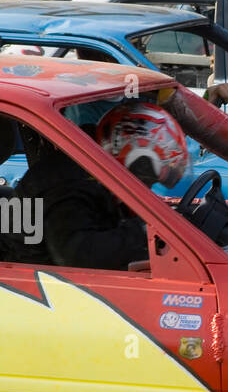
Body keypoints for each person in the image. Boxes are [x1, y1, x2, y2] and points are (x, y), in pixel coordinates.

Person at [12, 104, 188, 271]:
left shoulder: (95, 155)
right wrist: (144, 229)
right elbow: (79, 257)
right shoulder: (72, 186)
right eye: (147, 179)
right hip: (31, 279)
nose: (148, 186)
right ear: (134, 164)